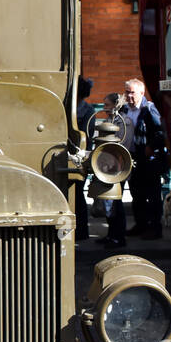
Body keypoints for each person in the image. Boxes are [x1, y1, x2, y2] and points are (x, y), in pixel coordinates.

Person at [119, 77, 166, 239]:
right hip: (131, 158)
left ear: (141, 92)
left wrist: (151, 147)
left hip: (148, 159)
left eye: (132, 93)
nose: (129, 96)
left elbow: (161, 132)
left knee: (152, 195)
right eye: (127, 92)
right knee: (136, 194)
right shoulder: (124, 110)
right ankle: (141, 225)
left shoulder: (149, 109)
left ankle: (155, 228)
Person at [102, 91, 127, 249]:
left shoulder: (124, 122)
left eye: (107, 105)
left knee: (116, 202)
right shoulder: (108, 120)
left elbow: (124, 144)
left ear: (115, 106)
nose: (104, 108)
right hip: (107, 166)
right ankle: (111, 234)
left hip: (118, 167)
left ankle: (118, 237)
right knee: (108, 202)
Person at [75, 76, 96, 241]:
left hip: (79, 155)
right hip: (79, 153)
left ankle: (81, 231)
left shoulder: (86, 111)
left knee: (78, 194)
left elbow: (85, 136)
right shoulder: (87, 110)